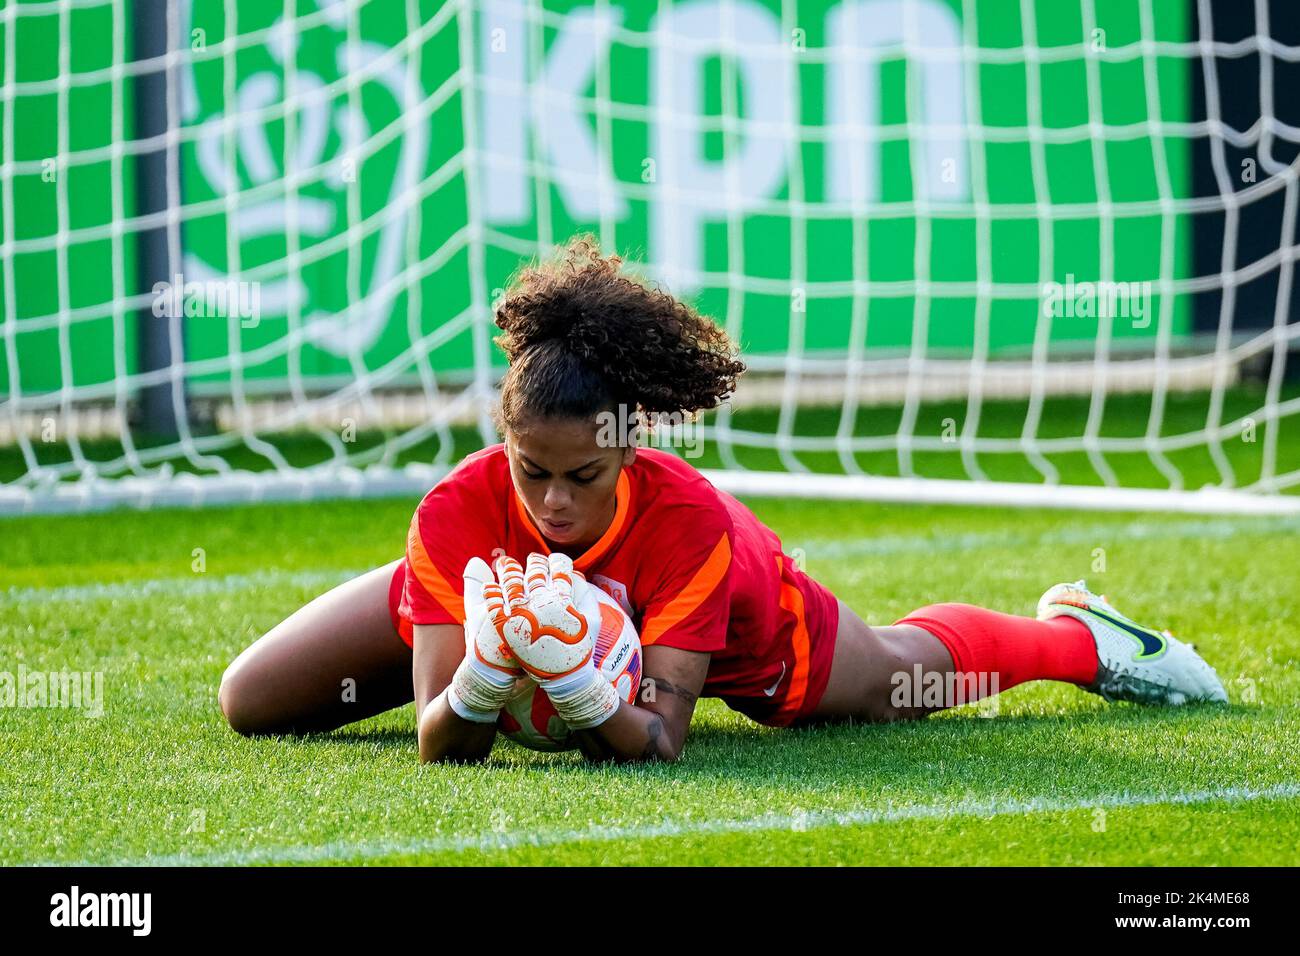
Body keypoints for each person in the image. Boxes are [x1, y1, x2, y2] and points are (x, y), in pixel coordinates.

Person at [218, 237, 1228, 763]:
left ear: (631, 446)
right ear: (504, 441)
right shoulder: (458, 512)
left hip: (743, 626)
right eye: (532, 472)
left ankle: (1079, 639)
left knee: (895, 680)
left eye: (584, 477)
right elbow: (445, 742)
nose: (554, 504)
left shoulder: (686, 522)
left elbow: (658, 741)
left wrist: (579, 689)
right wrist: (485, 666)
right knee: (250, 702)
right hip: (498, 605)